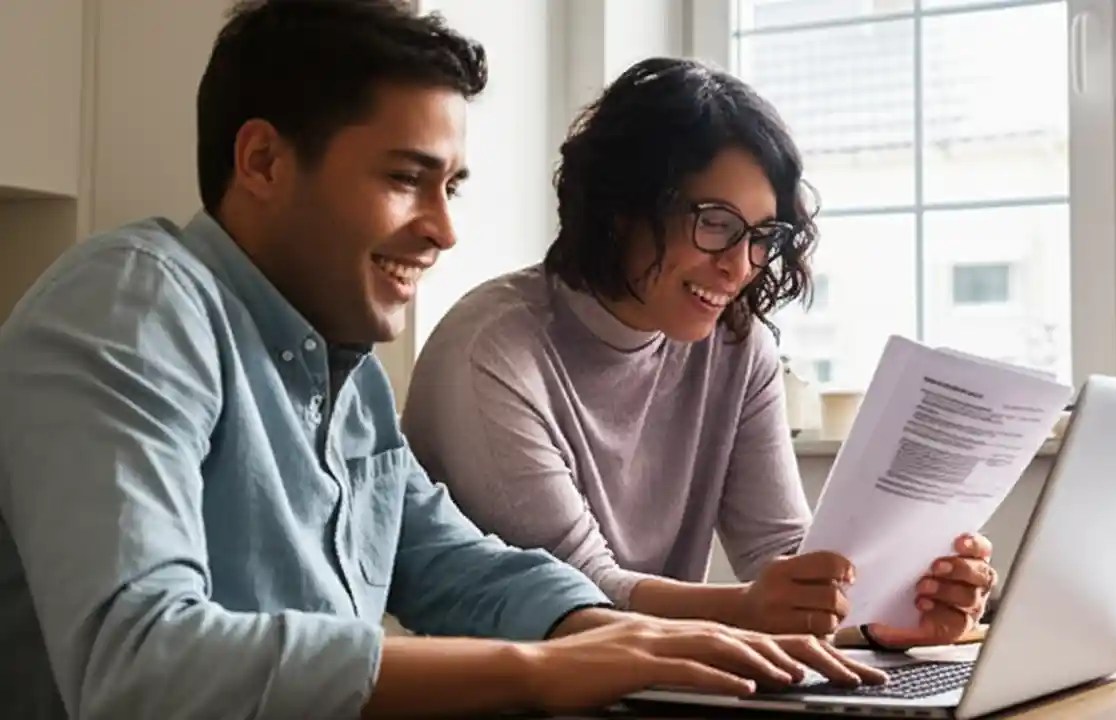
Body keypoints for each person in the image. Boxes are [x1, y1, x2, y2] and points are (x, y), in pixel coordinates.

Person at [0, 4, 889, 719]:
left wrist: (614, 635)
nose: (444, 228)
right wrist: (543, 669)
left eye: (451, 185)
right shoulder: (135, 302)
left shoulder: (340, 378)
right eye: (404, 178)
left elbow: (460, 567)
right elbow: (140, 666)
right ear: (263, 160)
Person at [403, 57, 998, 648]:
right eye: (715, 223)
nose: (740, 265)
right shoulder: (493, 350)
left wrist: (900, 608)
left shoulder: (737, 346)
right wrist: (748, 609)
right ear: (621, 208)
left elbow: (781, 555)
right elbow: (577, 597)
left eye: (763, 236)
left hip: (666, 682)